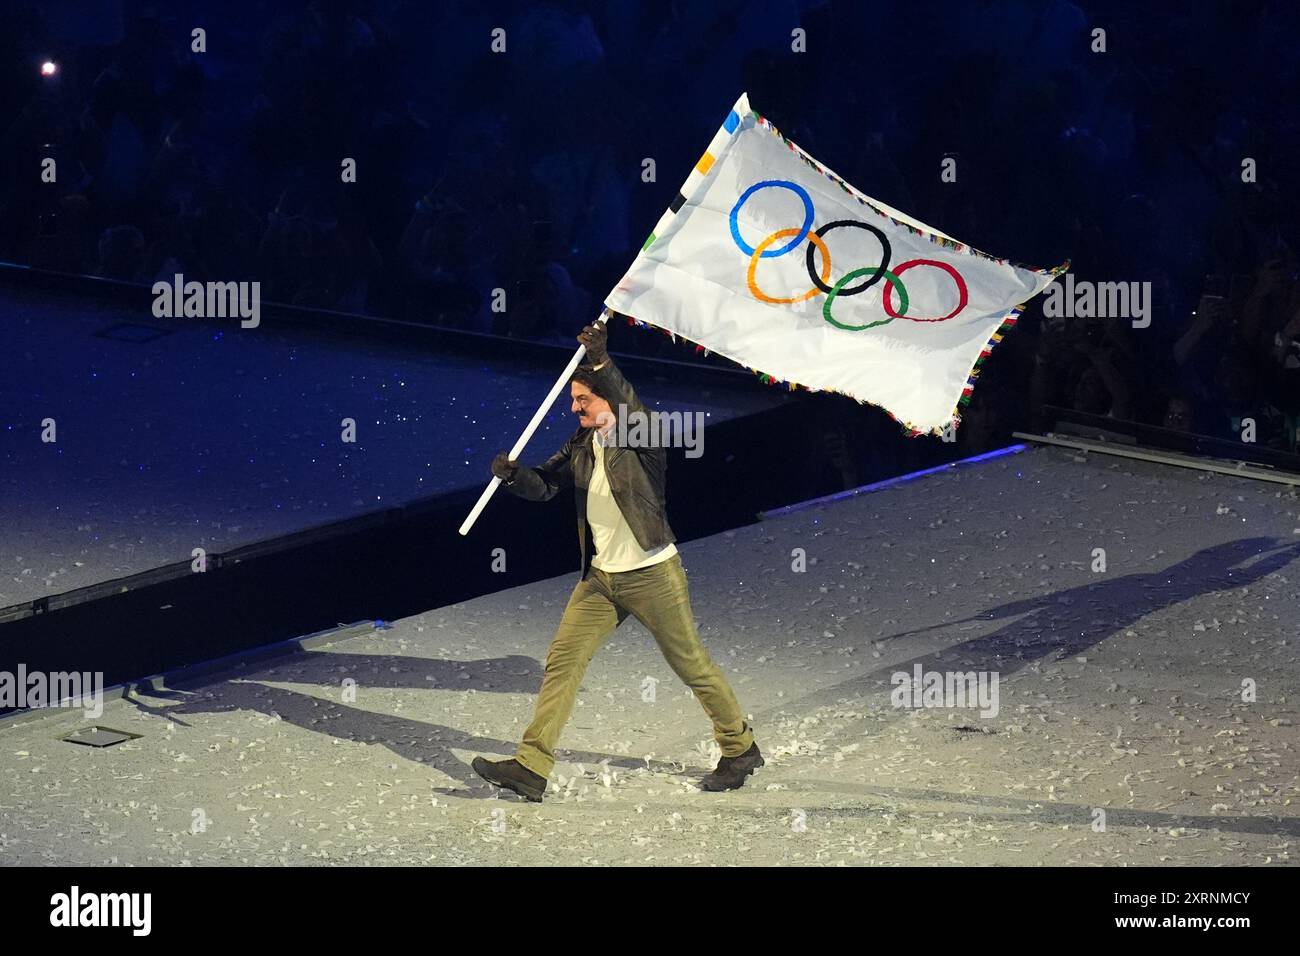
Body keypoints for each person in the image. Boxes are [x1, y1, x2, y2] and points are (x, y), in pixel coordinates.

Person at [471, 319, 762, 801]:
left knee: (690, 663)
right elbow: (545, 486)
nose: (574, 407)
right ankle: (531, 765)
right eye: (572, 400)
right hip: (602, 579)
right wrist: (513, 476)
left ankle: (740, 747)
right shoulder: (582, 444)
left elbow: (629, 404)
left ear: (606, 396)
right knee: (562, 662)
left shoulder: (641, 437)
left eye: (583, 399)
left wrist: (603, 360)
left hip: (652, 575)